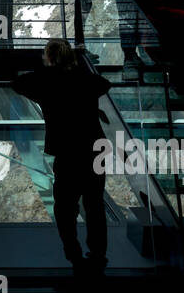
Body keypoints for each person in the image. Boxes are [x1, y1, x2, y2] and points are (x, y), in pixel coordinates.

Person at [11, 39, 113, 275]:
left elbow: (18, 83)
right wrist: (76, 65)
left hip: (67, 152)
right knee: (94, 204)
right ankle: (98, 254)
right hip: (93, 148)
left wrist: (48, 69)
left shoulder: (46, 82)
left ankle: (73, 253)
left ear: (49, 58)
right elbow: (104, 84)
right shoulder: (85, 80)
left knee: (65, 207)